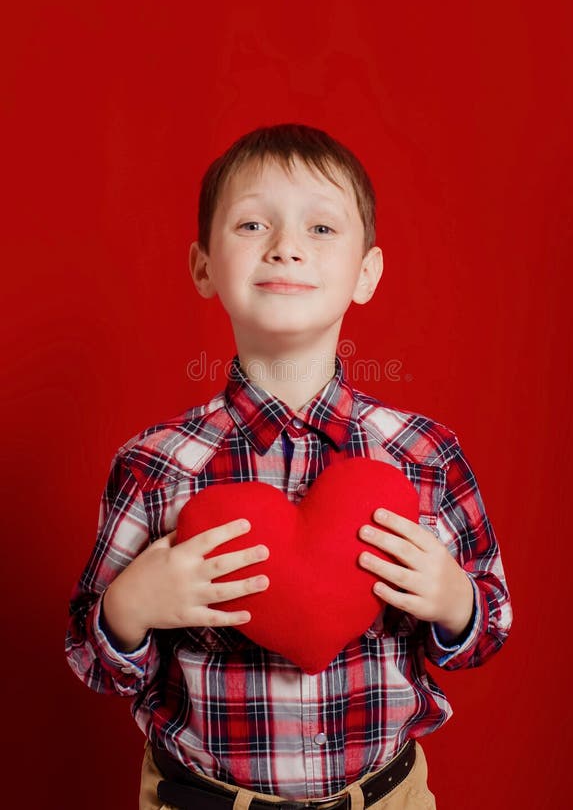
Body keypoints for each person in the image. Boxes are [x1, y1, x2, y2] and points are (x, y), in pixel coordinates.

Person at [66, 123, 512, 810]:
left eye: (322, 229)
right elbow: (90, 658)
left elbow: (490, 624)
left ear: (367, 274)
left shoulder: (425, 454)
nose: (286, 247)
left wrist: (456, 604)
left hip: (386, 798)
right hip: (199, 798)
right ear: (203, 267)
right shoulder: (155, 465)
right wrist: (128, 610)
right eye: (252, 224)